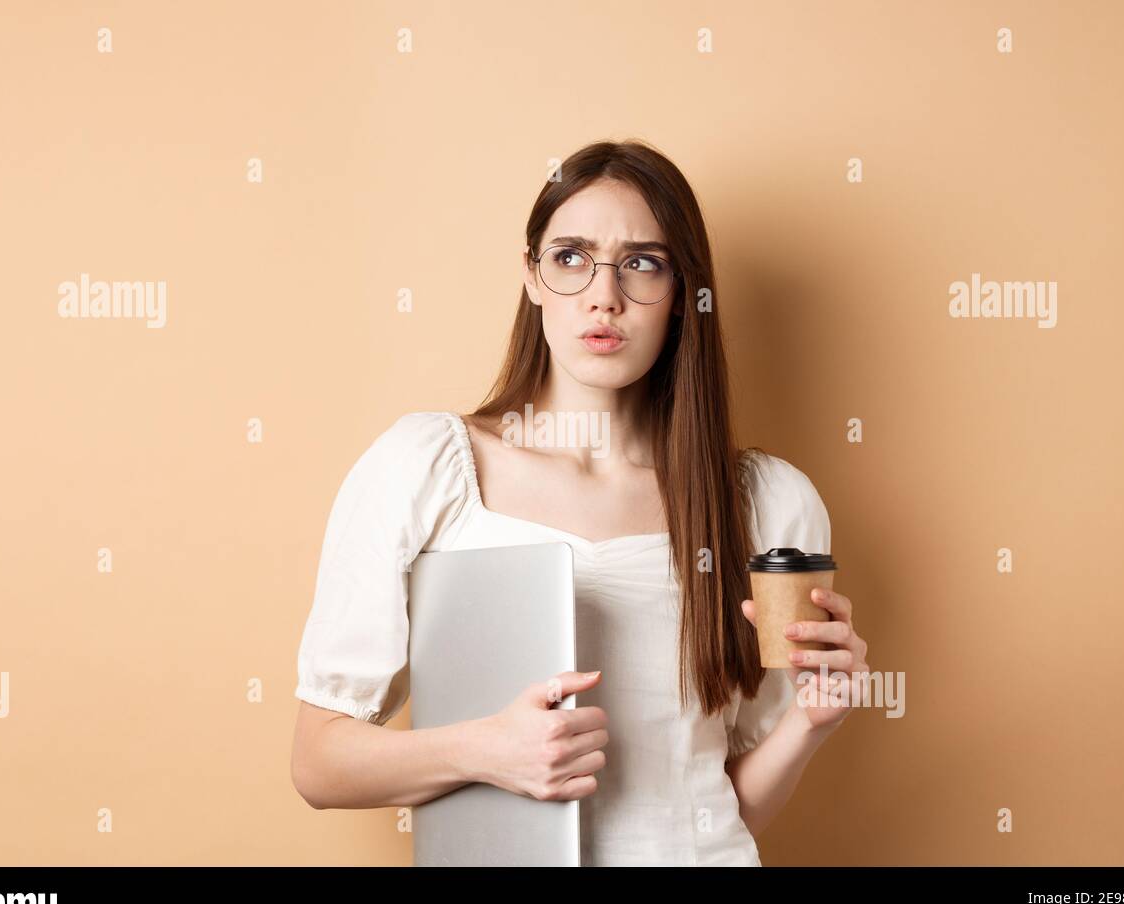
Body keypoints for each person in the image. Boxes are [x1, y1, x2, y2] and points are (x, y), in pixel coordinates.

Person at [290, 138, 869, 865]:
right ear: (530, 277)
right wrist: (486, 751)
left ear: (686, 295)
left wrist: (808, 724)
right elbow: (318, 763)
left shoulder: (764, 505)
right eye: (571, 257)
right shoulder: (426, 467)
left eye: (643, 263)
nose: (604, 295)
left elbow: (722, 811)